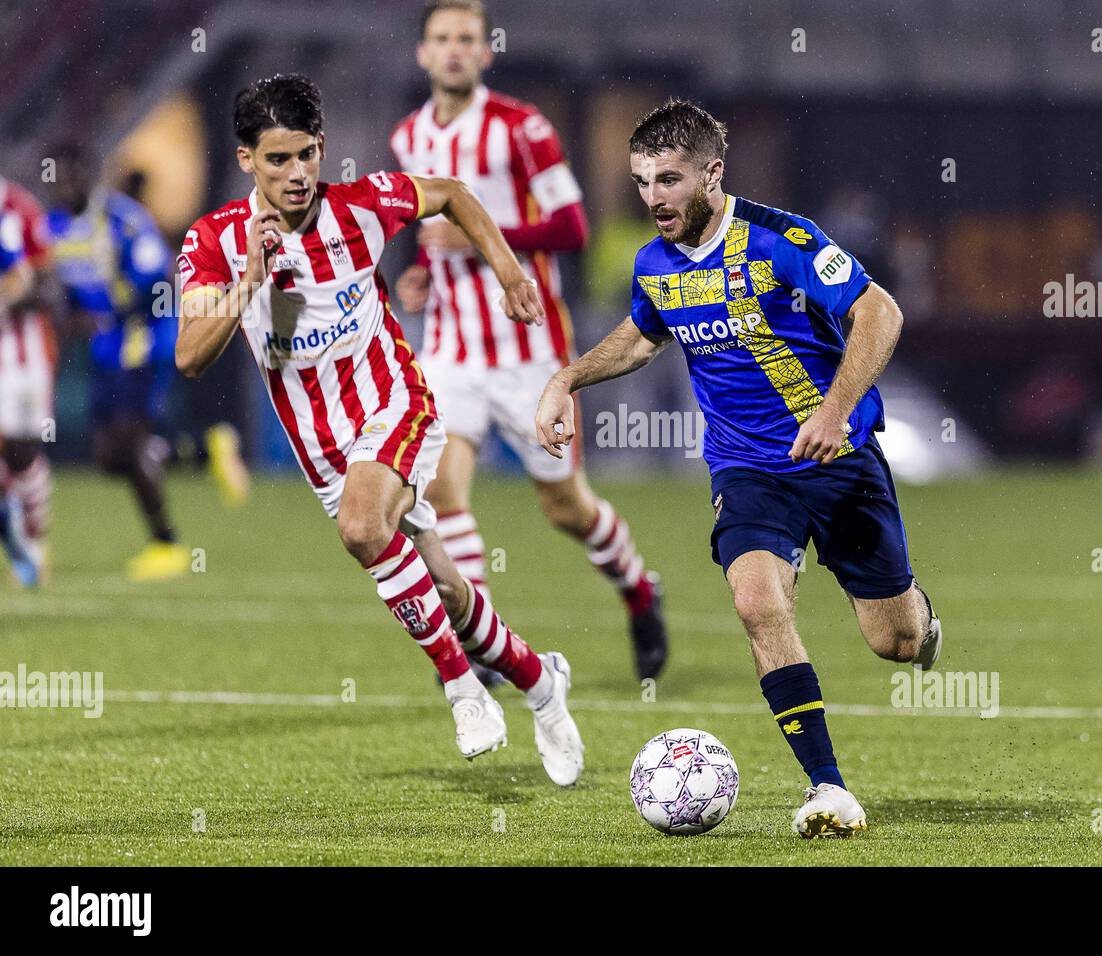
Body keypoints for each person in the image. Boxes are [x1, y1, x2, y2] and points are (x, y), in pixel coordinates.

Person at [536, 99, 944, 835]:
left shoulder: (784, 240)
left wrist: (833, 409)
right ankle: (828, 787)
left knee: (896, 642)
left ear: (712, 174)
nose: (655, 197)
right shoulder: (654, 262)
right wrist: (567, 379)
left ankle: (918, 615)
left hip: (837, 457)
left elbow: (879, 312)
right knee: (757, 602)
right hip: (746, 470)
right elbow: (643, 333)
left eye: (670, 179)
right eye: (642, 182)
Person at [175, 73, 583, 784]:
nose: (297, 173)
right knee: (448, 593)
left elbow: (453, 193)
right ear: (246, 160)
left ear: (323, 147)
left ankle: (462, 690)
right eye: (278, 159)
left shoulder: (364, 204)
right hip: (324, 453)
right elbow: (188, 355)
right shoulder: (213, 241)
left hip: (398, 406)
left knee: (364, 529)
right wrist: (249, 280)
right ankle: (541, 682)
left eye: (307, 154)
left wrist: (510, 273)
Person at [391, 0, 668, 681]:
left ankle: (638, 590)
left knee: (566, 508)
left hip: (528, 351)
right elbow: (432, 236)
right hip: (452, 350)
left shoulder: (523, 128)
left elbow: (575, 228)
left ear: (486, 52)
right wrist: (425, 271)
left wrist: (484, 236)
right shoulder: (408, 138)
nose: (454, 49)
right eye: (441, 39)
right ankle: (481, 641)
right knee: (442, 492)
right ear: (423, 53)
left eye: (467, 38)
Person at [46, 144, 190, 581]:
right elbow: (67, 286)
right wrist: (69, 315)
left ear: (91, 177)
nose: (65, 186)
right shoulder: (53, 227)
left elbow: (154, 278)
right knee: (108, 457)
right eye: (58, 178)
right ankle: (199, 449)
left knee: (127, 442)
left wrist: (104, 310)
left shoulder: (123, 220)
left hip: (144, 342)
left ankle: (167, 545)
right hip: (107, 351)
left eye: (73, 177)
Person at [0, 175, 55, 587]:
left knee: (19, 451)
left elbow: (39, 280)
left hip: (19, 353)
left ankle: (33, 540)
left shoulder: (18, 209)